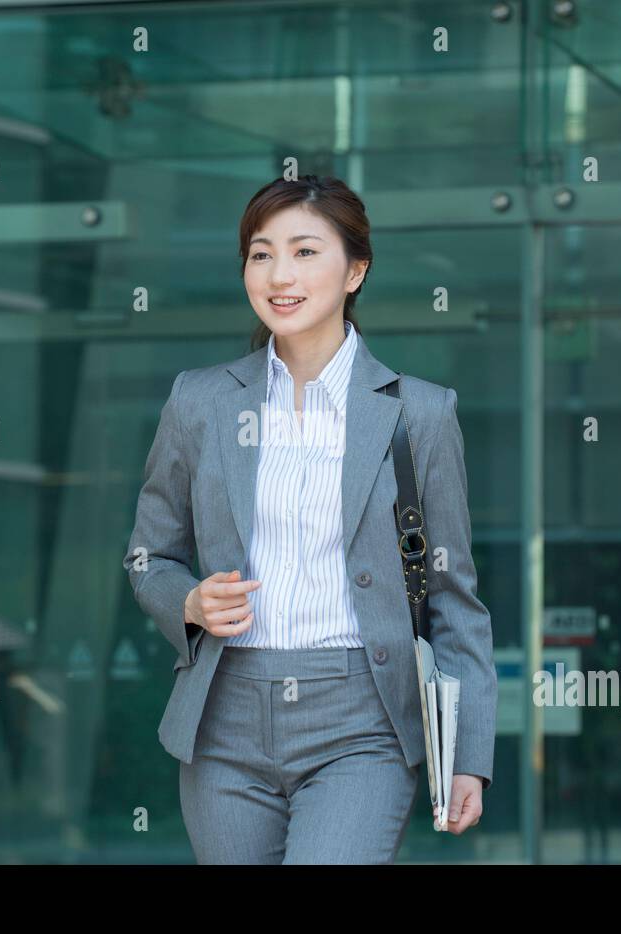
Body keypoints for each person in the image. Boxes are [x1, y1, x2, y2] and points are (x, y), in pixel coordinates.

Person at [123, 174, 496, 864]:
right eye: (260, 254)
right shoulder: (199, 402)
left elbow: (452, 597)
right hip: (223, 719)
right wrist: (191, 600)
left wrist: (469, 750)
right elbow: (149, 555)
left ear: (356, 270)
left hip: (364, 719)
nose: (278, 274)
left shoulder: (419, 413)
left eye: (303, 251)